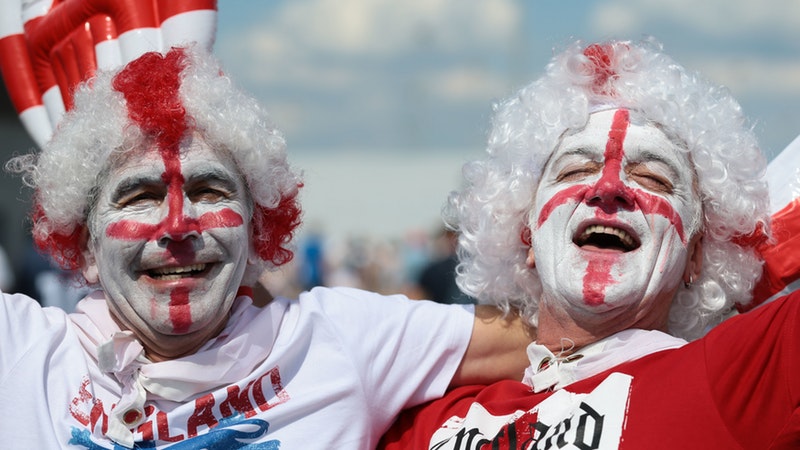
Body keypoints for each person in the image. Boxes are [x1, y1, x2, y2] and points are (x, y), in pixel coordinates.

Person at [0, 45, 533, 449]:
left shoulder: (339, 339)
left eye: (211, 190)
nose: (179, 226)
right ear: (87, 246)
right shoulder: (20, 351)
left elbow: (545, 337)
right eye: (140, 195)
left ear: (256, 234)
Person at [380, 38, 799, 449]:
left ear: (695, 255)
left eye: (653, 178)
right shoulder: (425, 423)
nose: (609, 186)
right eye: (574, 170)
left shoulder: (735, 379)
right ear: (526, 235)